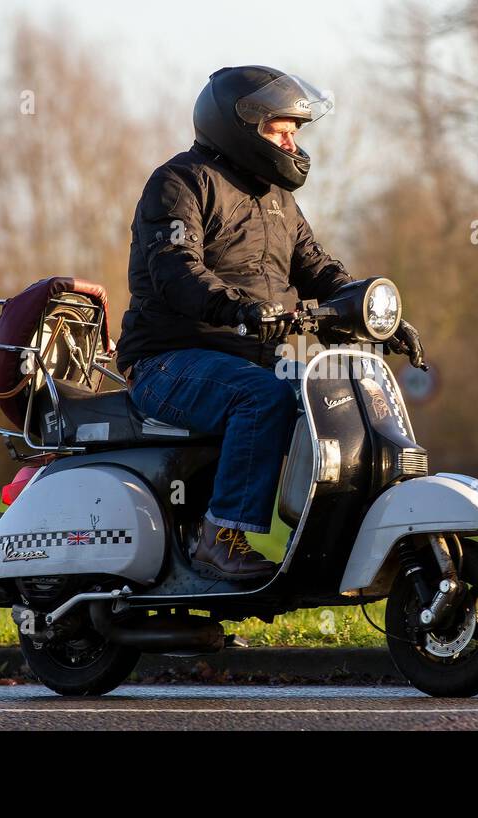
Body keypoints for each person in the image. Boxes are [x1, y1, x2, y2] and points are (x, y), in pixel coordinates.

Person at [116, 65, 425, 582]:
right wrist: (238, 308)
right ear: (241, 126)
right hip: (168, 362)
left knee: (333, 396)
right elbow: (176, 271)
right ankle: (221, 537)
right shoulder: (179, 183)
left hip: (246, 360)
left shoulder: (278, 199)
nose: (291, 142)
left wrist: (377, 316)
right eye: (279, 130)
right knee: (261, 398)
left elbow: (319, 269)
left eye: (295, 132)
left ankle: (340, 540)